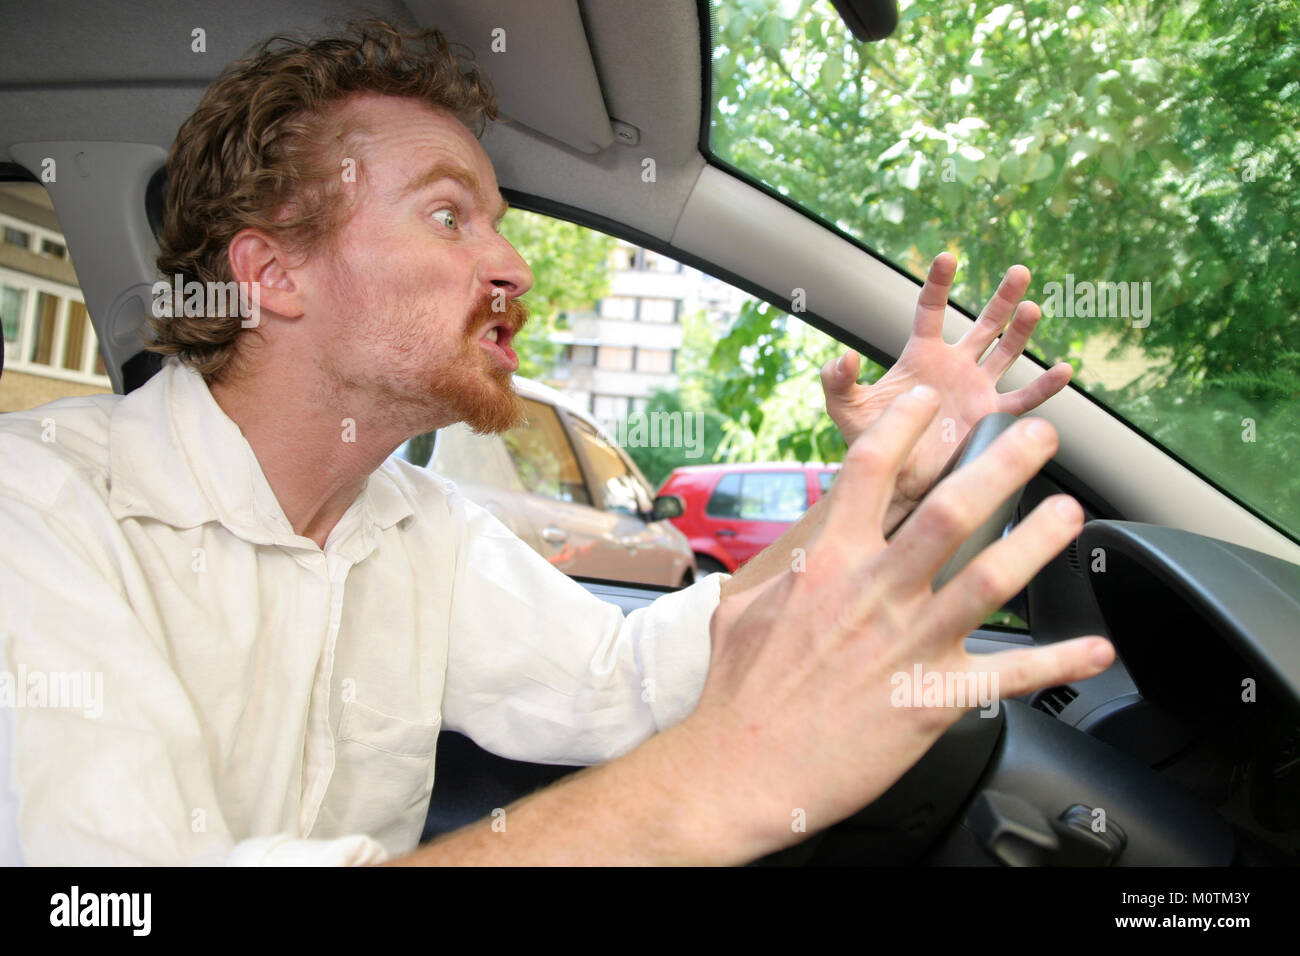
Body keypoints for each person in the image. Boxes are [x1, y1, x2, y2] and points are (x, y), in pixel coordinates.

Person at [0, 19, 1113, 866]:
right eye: (448, 216)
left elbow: (621, 676)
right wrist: (707, 785)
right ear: (272, 274)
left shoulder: (412, 527)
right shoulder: (37, 510)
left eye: (498, 223)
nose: (514, 268)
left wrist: (886, 476)